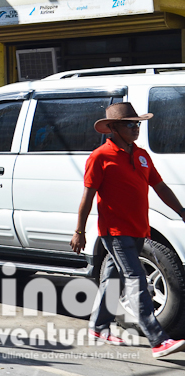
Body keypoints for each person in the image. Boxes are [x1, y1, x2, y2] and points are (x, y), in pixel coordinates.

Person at [70, 102, 185, 359]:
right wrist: (80, 231)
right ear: (113, 128)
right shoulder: (100, 156)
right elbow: (87, 197)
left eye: (138, 124)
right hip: (115, 231)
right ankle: (158, 339)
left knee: (112, 278)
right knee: (135, 280)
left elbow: (160, 187)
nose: (136, 128)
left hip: (138, 229)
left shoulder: (142, 154)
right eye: (130, 124)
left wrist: (182, 211)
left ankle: (99, 327)